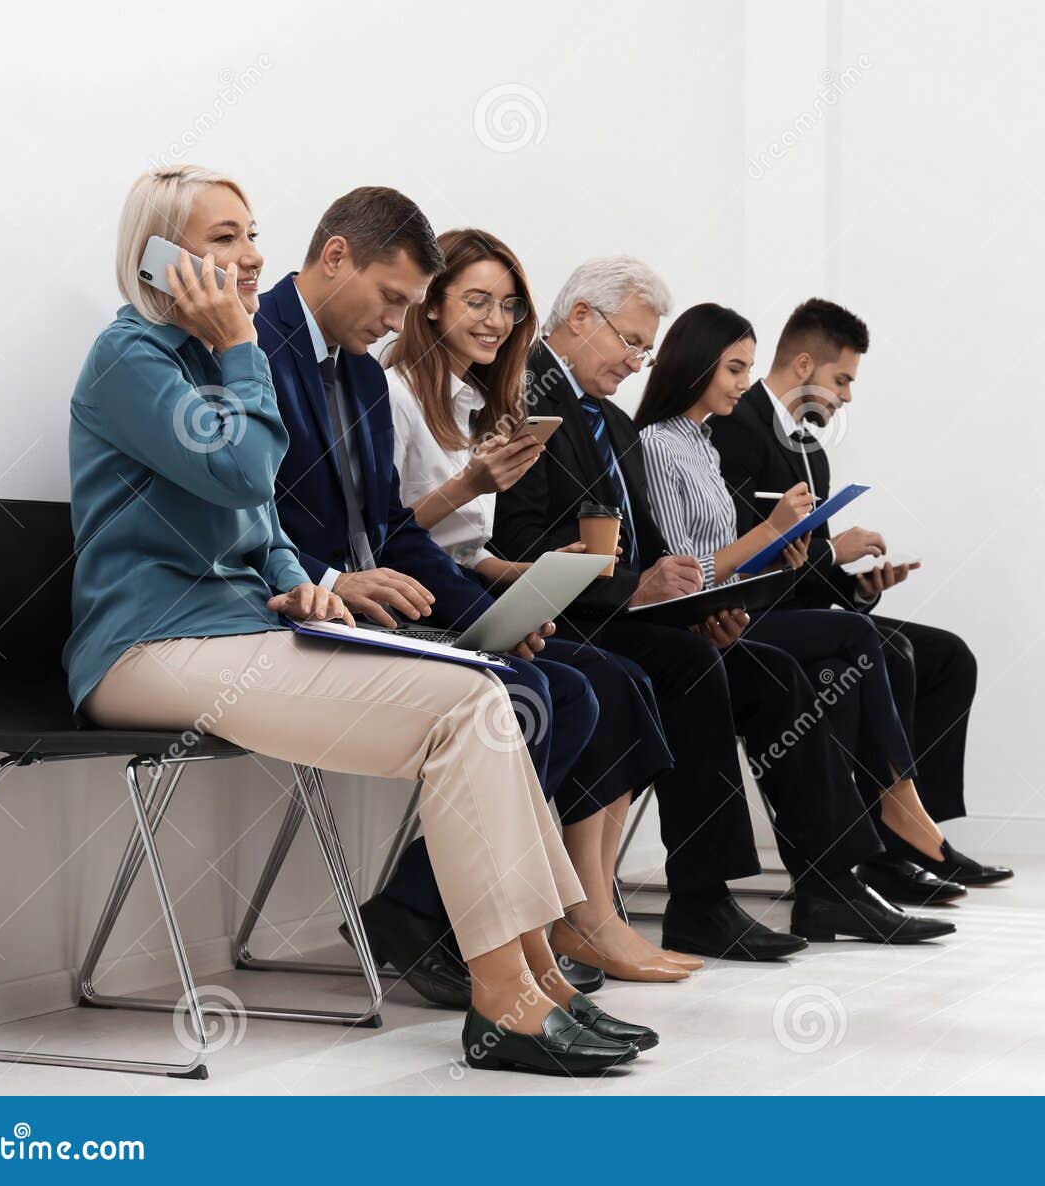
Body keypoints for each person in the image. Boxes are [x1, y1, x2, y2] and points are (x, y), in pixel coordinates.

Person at [66, 165, 649, 1073]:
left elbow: (260, 527)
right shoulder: (131, 358)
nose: (252, 254)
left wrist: (302, 581)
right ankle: (504, 996)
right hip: (145, 646)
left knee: (491, 691)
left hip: (236, 631)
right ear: (156, 255)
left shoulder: (209, 360)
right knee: (469, 706)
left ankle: (536, 976)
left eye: (250, 231)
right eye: (224, 239)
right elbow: (249, 474)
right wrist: (239, 344)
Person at [494, 257, 948, 953]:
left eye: (648, 347)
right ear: (581, 317)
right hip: (572, 617)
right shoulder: (527, 399)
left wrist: (690, 602)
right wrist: (642, 590)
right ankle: (700, 900)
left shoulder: (612, 425)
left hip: (619, 610)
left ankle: (829, 886)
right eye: (633, 342)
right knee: (695, 666)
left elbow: (648, 551)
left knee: (772, 674)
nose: (639, 361)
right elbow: (521, 541)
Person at [254, 188, 624, 1003]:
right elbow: (256, 517)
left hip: (374, 603)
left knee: (566, 692)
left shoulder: (352, 372)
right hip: (295, 612)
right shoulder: (256, 347)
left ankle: (421, 909)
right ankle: (456, 925)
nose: (396, 320)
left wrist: (485, 619)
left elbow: (394, 529)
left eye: (409, 305)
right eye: (393, 299)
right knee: (525, 690)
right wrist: (324, 582)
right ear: (337, 256)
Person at [380, 227, 687, 981]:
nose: (494, 319)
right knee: (577, 689)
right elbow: (384, 537)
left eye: (506, 305)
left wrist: (532, 577)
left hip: (450, 583)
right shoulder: (392, 394)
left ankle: (538, 906)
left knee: (603, 687)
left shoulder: (469, 398)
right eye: (476, 301)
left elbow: (467, 544)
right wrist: (477, 503)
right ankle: (452, 906)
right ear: (430, 304)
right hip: (404, 597)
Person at [636, 303, 972, 933]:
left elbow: (750, 564)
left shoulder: (715, 445)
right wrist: (790, 542)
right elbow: (686, 569)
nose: (741, 381)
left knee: (856, 657)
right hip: (720, 617)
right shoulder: (682, 440)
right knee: (850, 641)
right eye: (734, 368)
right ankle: (892, 808)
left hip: (757, 603)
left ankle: (836, 880)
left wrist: (819, 565)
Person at [709, 298, 1014, 893]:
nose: (847, 396)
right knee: (882, 652)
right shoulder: (730, 429)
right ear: (803, 366)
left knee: (948, 656)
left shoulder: (811, 452)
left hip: (806, 613)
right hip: (750, 617)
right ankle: (890, 841)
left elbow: (805, 570)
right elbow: (732, 557)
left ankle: (906, 835)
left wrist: (858, 587)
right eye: (842, 379)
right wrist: (831, 552)